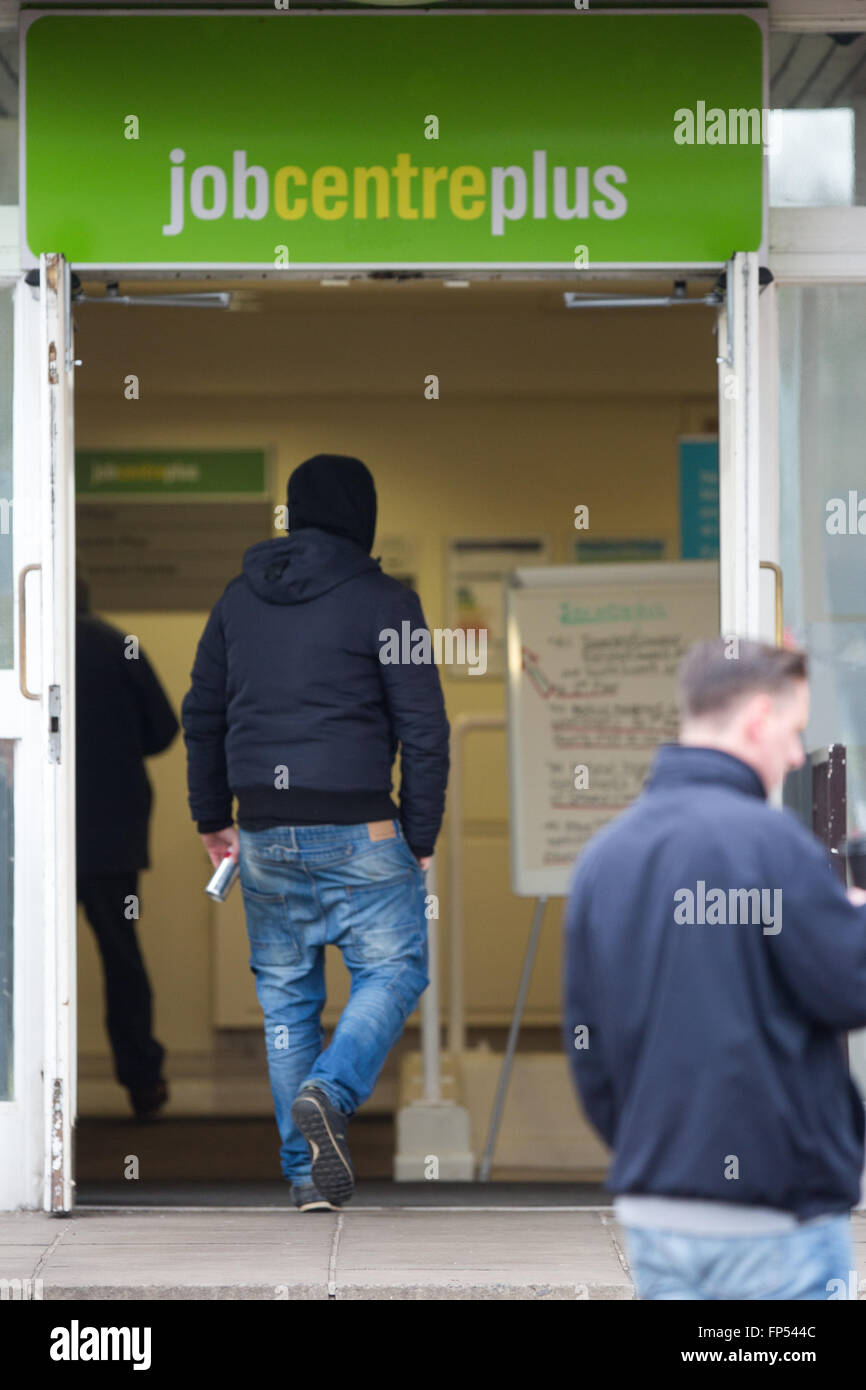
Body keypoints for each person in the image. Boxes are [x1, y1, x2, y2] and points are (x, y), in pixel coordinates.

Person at [181, 454, 449, 1212]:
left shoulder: (238, 601)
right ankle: (329, 1093)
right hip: (360, 824)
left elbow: (202, 714)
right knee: (395, 970)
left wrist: (213, 817)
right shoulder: (386, 601)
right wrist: (419, 831)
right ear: (362, 517)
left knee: (288, 1002)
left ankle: (305, 1178)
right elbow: (424, 727)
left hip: (263, 831)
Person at [563, 637, 866, 1300]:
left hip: (654, 1206)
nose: (794, 754)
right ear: (758, 717)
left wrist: (657, 1151)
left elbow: (590, 1055)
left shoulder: (603, 859)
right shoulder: (772, 844)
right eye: (792, 731)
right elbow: (850, 989)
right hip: (774, 1213)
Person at [76, 577, 178, 1121]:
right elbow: (164, 730)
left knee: (13, 959)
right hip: (111, 830)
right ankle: (143, 1081)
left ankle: (14, 1079)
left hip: (31, 833)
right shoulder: (120, 645)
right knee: (121, 957)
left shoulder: (18, 646)